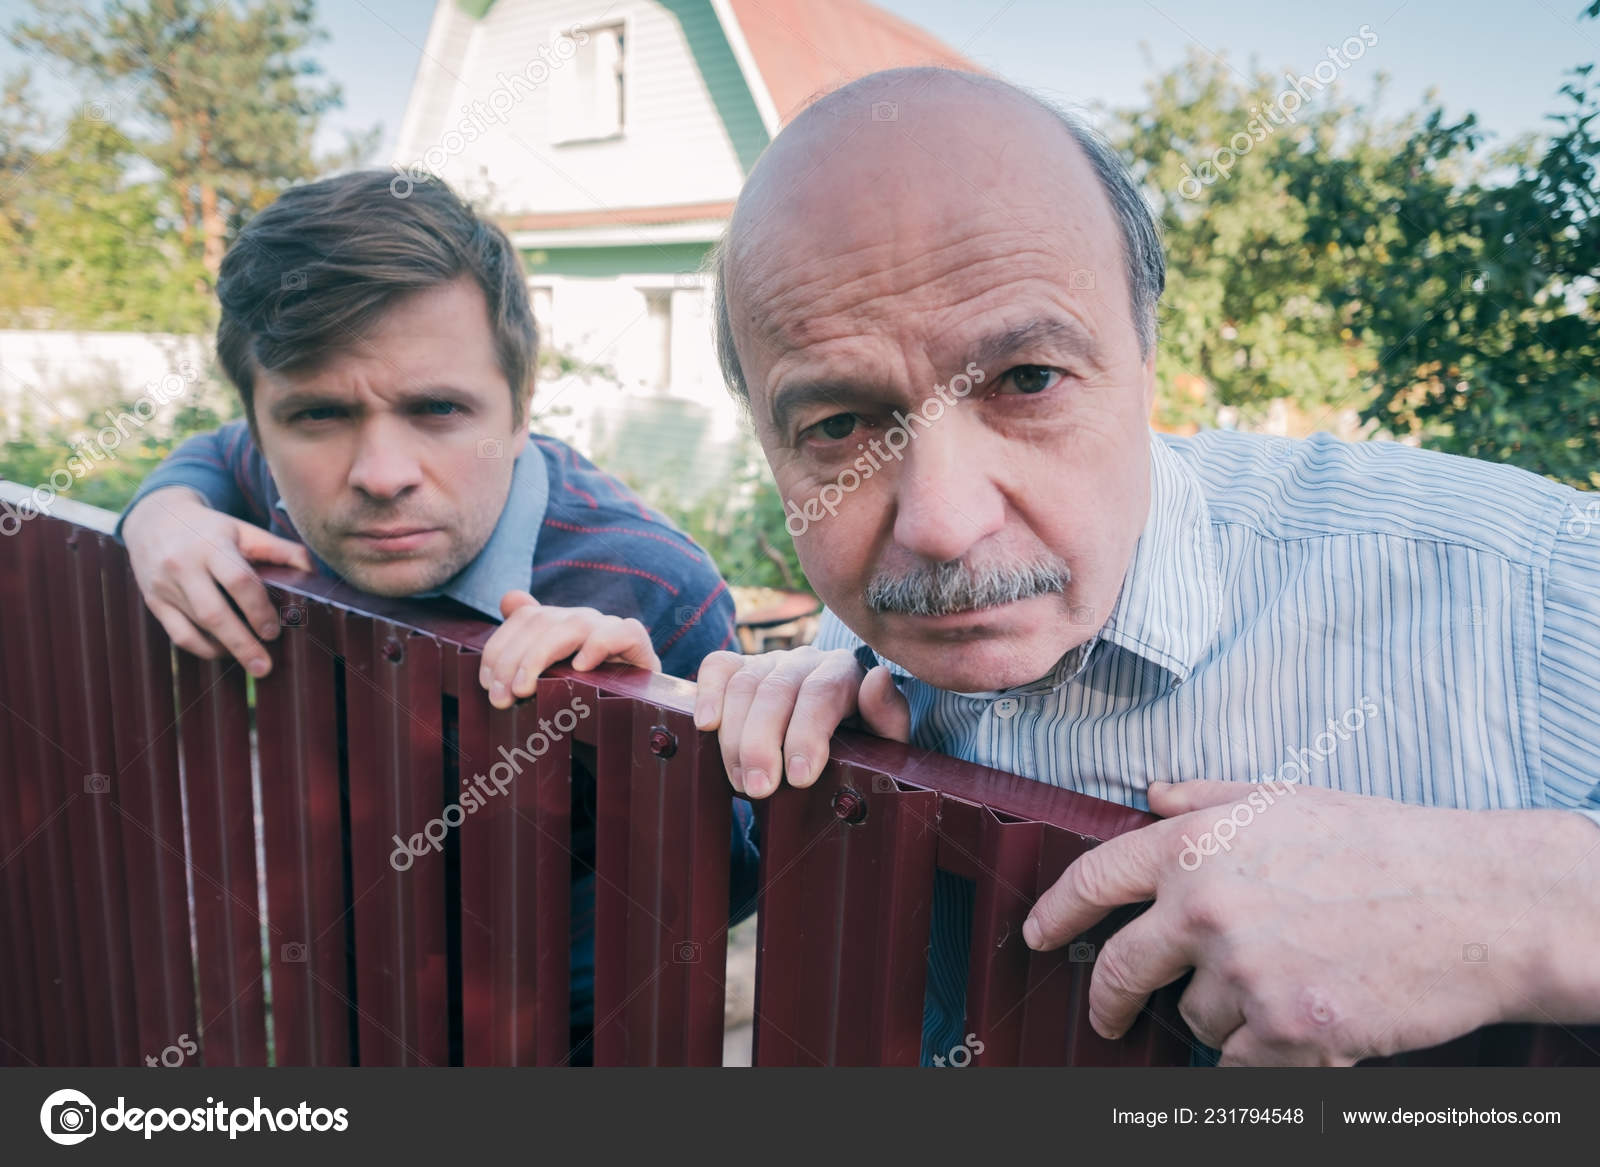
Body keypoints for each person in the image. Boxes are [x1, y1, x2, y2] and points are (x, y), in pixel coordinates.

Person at [693, 67, 1600, 1067]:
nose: (944, 524)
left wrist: (1525, 900)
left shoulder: (1527, 588)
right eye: (839, 425)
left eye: (1027, 380)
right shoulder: (856, 647)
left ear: (1144, 358)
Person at [117, 170, 757, 1062]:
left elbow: (737, 881)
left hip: (574, 1031)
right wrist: (164, 507)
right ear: (265, 428)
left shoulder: (649, 585)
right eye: (320, 414)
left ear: (521, 406)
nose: (382, 472)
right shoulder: (271, 475)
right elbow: (215, 451)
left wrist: (646, 749)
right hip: (342, 986)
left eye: (438, 409)